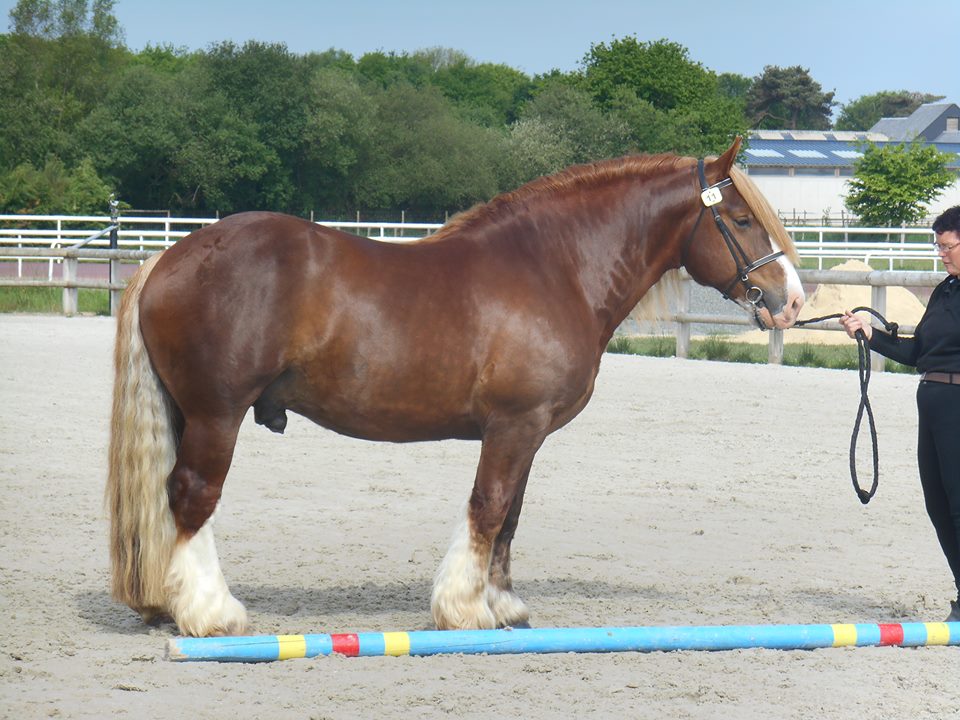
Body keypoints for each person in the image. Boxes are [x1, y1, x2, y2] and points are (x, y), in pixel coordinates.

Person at [839, 205, 960, 623]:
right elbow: (917, 352)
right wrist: (869, 335)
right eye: (939, 246)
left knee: (959, 502)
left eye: (947, 246)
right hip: (932, 403)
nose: (941, 253)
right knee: (938, 503)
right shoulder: (946, 290)